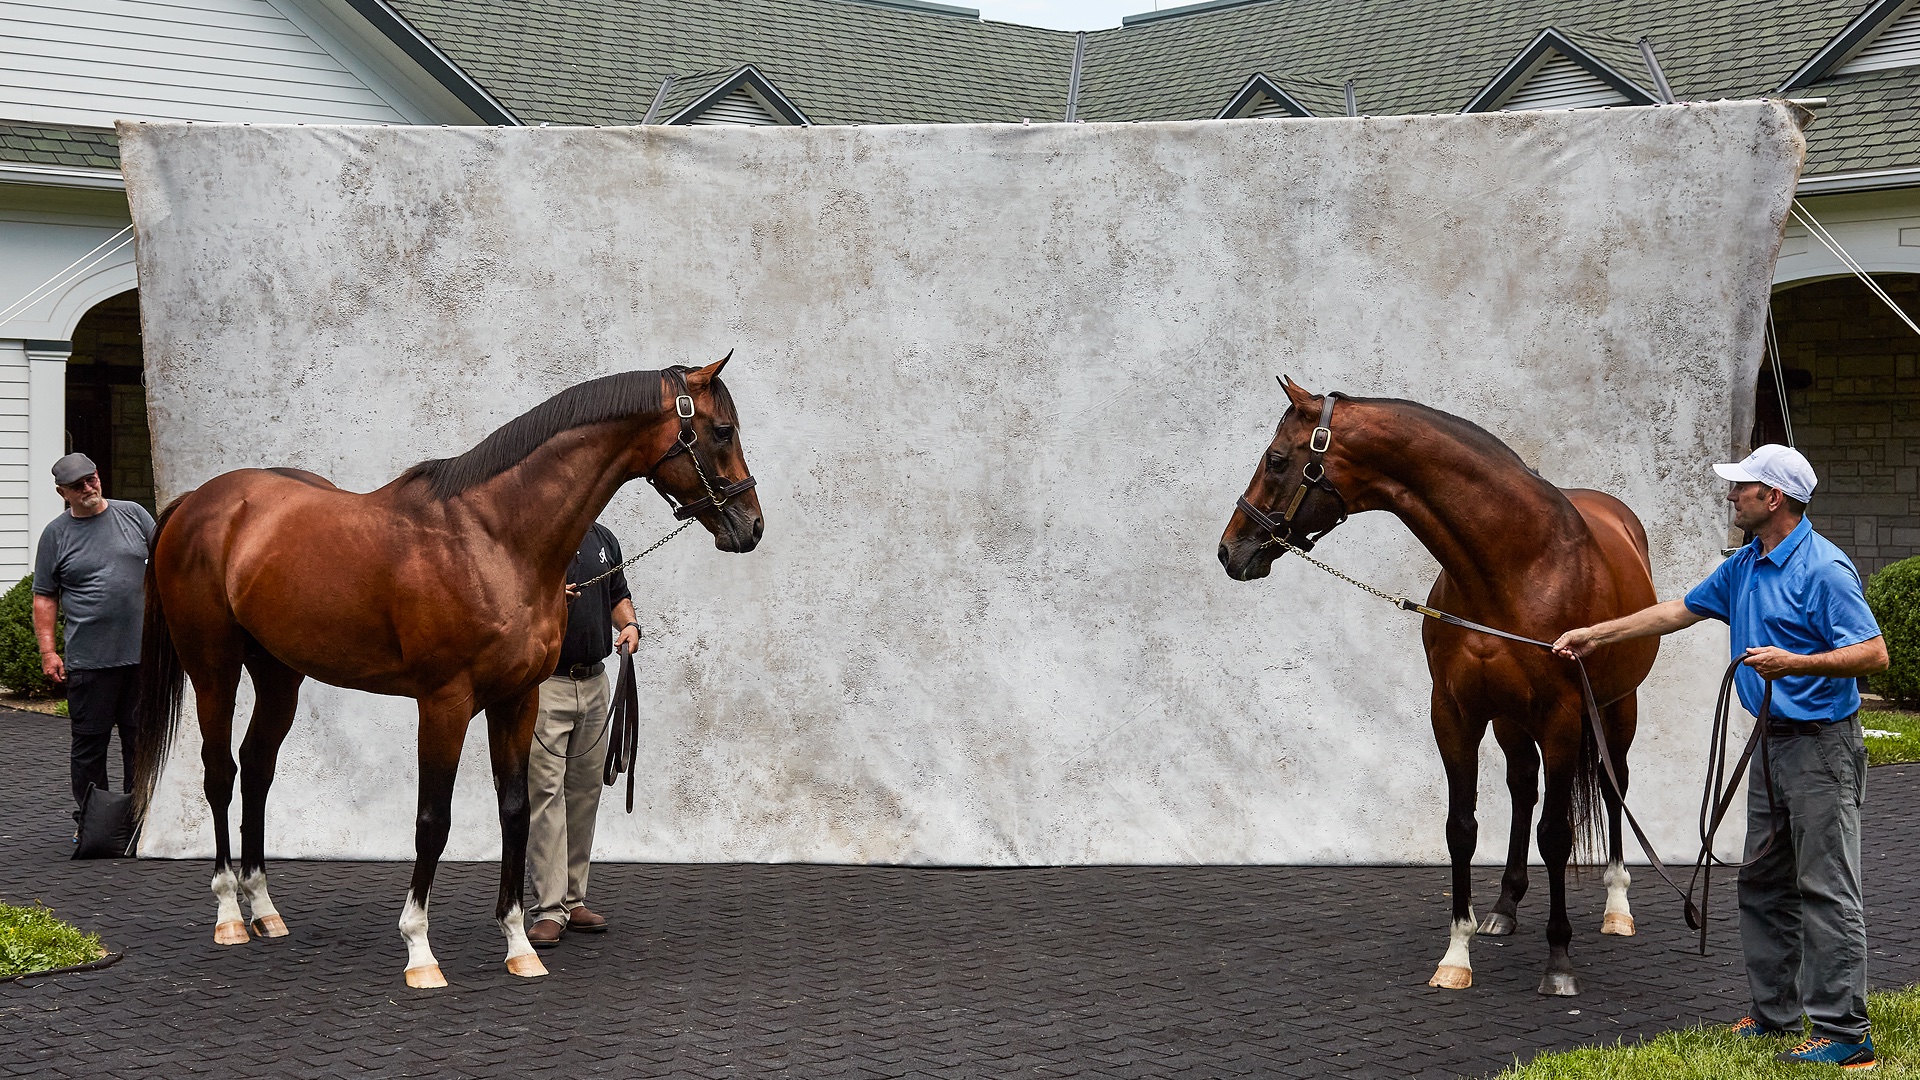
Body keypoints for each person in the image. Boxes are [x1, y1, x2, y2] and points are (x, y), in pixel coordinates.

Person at [1553, 443, 1888, 1071]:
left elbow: (1872, 653)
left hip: (1821, 749)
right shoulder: (1745, 565)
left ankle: (1847, 1032)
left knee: (1826, 888)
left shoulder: (1825, 569)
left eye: (1742, 488)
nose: (1732, 495)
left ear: (1775, 497)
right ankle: (1773, 1015)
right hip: (1769, 744)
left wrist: (1796, 663)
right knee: (1762, 882)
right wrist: (1595, 635)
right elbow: (1678, 610)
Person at [525, 520, 638, 948]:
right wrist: (549, 599)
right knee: (546, 793)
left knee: (585, 792)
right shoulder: (540, 535)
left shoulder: (604, 538)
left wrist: (629, 625)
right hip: (547, 683)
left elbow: (618, 595)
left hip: (595, 682)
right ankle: (550, 909)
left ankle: (574, 900)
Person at [33, 452, 156, 839]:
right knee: (90, 747)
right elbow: (44, 597)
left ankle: (142, 821)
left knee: (140, 741)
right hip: (90, 662)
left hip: (141, 657)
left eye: (92, 478)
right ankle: (94, 826)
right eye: (77, 485)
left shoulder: (133, 514)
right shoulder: (56, 534)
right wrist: (49, 651)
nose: (88, 488)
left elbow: (167, 565)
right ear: (62, 493)